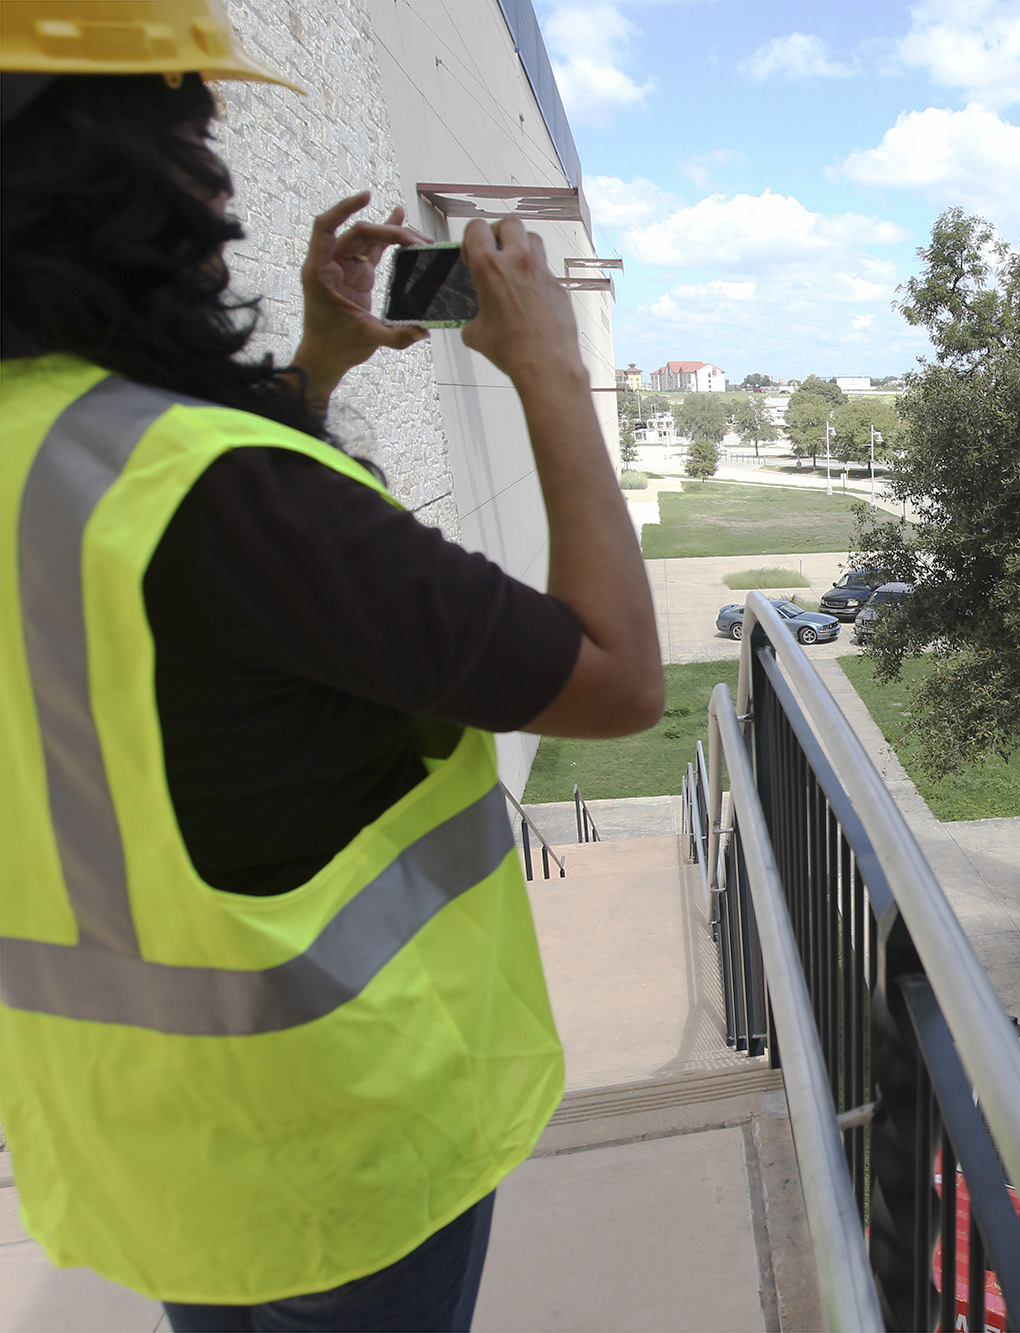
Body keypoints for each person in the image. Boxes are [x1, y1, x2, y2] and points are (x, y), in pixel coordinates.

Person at [0, 5, 661, 1329]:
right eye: (196, 126)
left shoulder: (56, 447)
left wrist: (317, 363)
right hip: (338, 1144)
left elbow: (185, 622)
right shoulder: (223, 493)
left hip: (152, 1146)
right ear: (114, 166)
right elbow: (617, 680)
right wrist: (552, 372)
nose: (222, 185)